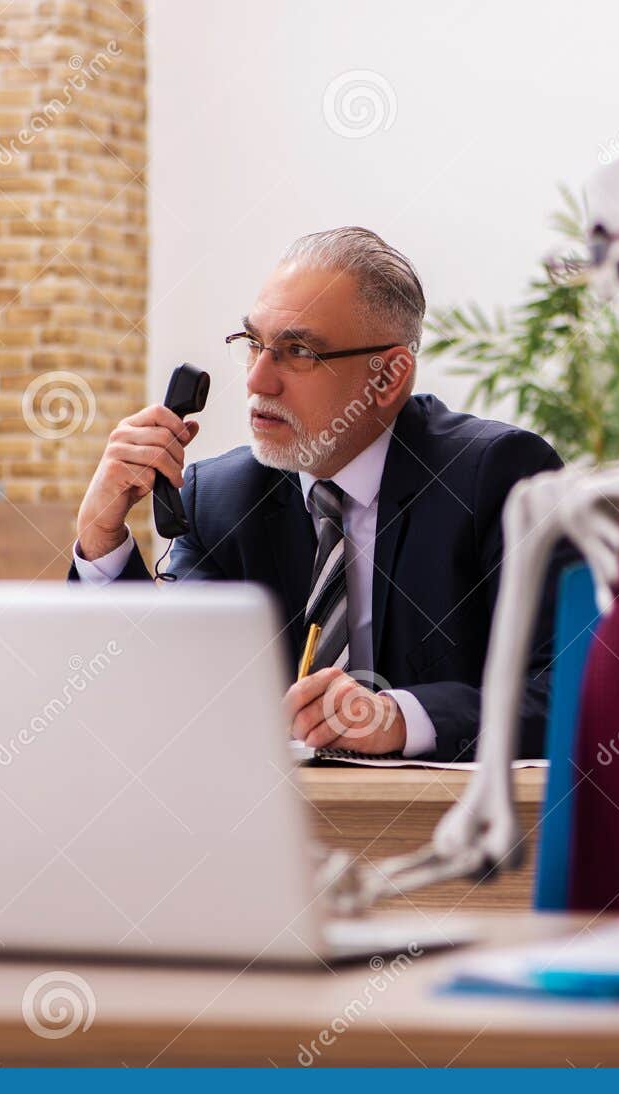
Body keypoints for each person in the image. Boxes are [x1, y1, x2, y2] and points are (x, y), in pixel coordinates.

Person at [69, 227, 566, 760]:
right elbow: (163, 688)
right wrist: (102, 540)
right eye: (254, 343)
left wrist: (400, 719)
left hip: (448, 827)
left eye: (298, 351)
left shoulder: (497, 477)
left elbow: (570, 688)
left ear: (390, 375)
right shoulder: (220, 497)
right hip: (273, 827)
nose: (259, 380)